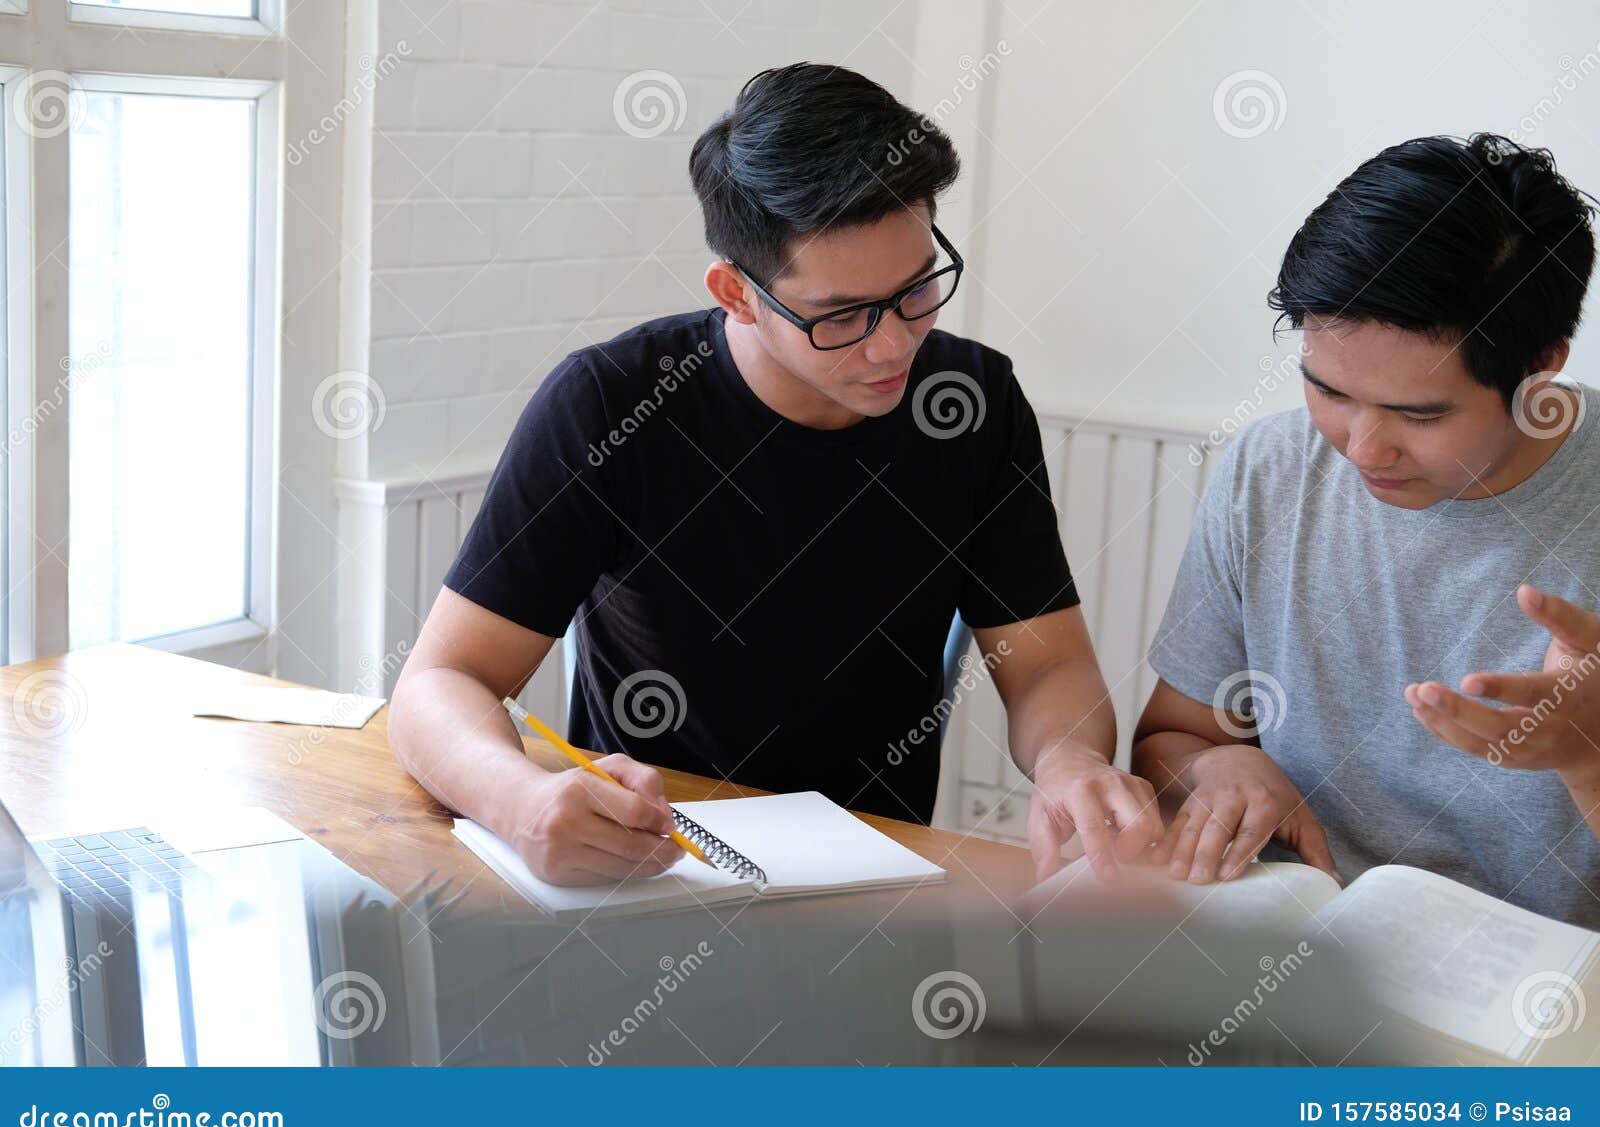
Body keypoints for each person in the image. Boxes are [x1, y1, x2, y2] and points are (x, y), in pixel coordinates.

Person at [387, 64, 1159, 887]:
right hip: (657, 866)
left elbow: (1047, 663)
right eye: (842, 316)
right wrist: (519, 800)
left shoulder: (973, 402)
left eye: (916, 290)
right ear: (738, 293)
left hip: (876, 871)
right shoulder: (612, 404)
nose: (894, 344)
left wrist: (1071, 759)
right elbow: (440, 682)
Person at [1134, 133, 1600, 928]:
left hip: (1538, 979)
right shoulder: (1268, 470)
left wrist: (1587, 761)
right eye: (1329, 391)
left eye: (1420, 414)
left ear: (1541, 367)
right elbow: (1170, 742)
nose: (1361, 448)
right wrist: (1221, 768)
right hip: (1298, 947)